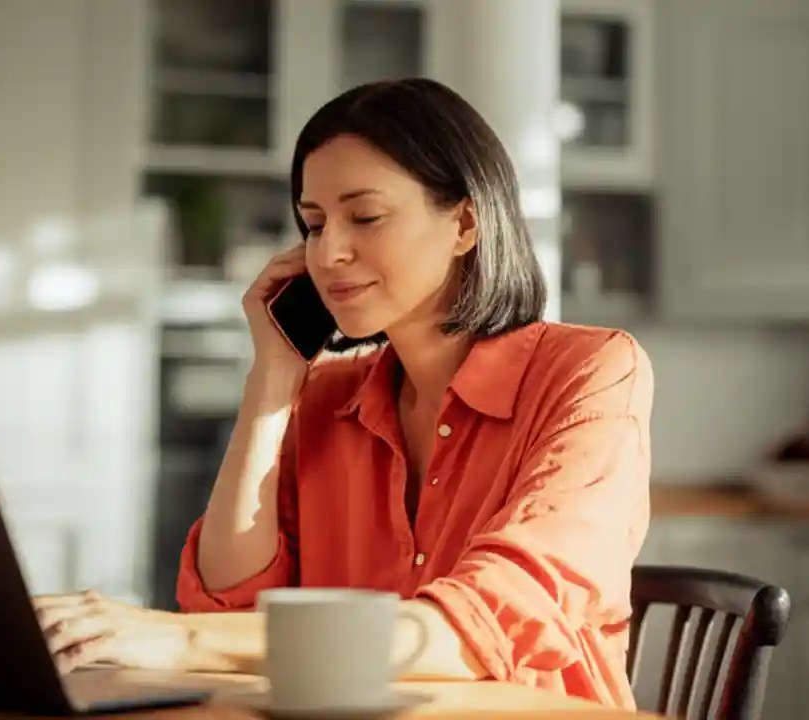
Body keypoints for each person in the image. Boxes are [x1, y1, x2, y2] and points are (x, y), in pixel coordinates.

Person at [33, 78, 653, 710]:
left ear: (466, 222)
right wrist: (273, 378)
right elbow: (232, 603)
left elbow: (487, 626)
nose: (328, 252)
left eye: (366, 217)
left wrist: (179, 639)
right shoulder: (326, 396)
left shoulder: (592, 370)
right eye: (312, 223)